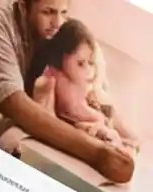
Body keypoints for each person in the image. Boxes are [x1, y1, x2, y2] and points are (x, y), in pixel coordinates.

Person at [0, 0, 134, 182]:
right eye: (48, 12)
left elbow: (92, 86)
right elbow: (16, 104)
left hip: (20, 138)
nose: (58, 22)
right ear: (24, 6)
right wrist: (97, 153)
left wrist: (114, 126)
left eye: (63, 12)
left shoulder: (58, 33)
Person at [30, 19, 139, 153]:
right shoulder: (56, 78)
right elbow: (74, 109)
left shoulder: (84, 80)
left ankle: (132, 144)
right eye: (81, 63)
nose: (88, 70)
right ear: (61, 58)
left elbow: (95, 99)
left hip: (96, 107)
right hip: (84, 121)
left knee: (124, 128)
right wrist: (99, 120)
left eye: (91, 63)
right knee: (113, 135)